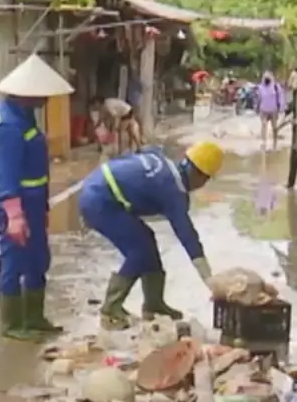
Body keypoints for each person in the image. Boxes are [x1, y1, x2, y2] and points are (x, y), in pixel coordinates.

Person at [78, 141, 224, 329]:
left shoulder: (164, 164)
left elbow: (144, 151)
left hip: (98, 187)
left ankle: (154, 305)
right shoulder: (172, 191)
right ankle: (110, 310)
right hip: (100, 201)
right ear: (200, 176)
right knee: (139, 250)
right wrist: (209, 280)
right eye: (206, 180)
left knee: (146, 240)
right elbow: (187, 236)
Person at [0, 54, 70, 341]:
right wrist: (14, 215)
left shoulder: (23, 116)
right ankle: (12, 323)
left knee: (38, 259)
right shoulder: (10, 125)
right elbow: (8, 173)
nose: (46, 100)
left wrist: (43, 207)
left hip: (33, 202)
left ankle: (34, 317)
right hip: (17, 203)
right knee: (14, 261)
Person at [255, 71, 288, 149]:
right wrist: (256, 107)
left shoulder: (276, 87)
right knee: (263, 125)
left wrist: (282, 108)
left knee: (274, 127)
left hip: (274, 110)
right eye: (265, 78)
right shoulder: (260, 87)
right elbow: (259, 99)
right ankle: (263, 142)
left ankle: (275, 142)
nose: (266, 80)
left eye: (268, 78)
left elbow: (280, 98)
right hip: (263, 110)